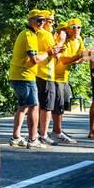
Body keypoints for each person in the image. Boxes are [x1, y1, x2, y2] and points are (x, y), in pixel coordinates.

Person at [8, 10, 52, 148]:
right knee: (34, 106)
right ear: (30, 20)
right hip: (24, 75)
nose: (42, 23)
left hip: (17, 75)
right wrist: (49, 53)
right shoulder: (29, 35)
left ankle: (15, 137)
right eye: (38, 20)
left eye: (44, 20)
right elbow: (34, 59)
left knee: (23, 106)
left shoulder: (28, 33)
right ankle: (33, 140)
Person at [47, 18, 85, 144]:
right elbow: (62, 60)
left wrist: (91, 52)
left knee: (62, 105)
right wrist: (79, 56)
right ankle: (56, 132)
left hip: (65, 76)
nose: (76, 30)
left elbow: (82, 57)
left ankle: (57, 130)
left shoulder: (79, 40)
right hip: (55, 76)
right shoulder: (62, 41)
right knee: (56, 105)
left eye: (78, 27)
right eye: (73, 27)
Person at [34, 14, 67, 145]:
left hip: (36, 73)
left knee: (37, 105)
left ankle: (36, 133)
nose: (52, 24)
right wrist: (61, 41)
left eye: (53, 21)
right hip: (46, 73)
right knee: (47, 107)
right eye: (50, 21)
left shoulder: (36, 34)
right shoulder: (46, 34)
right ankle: (43, 134)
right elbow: (56, 54)